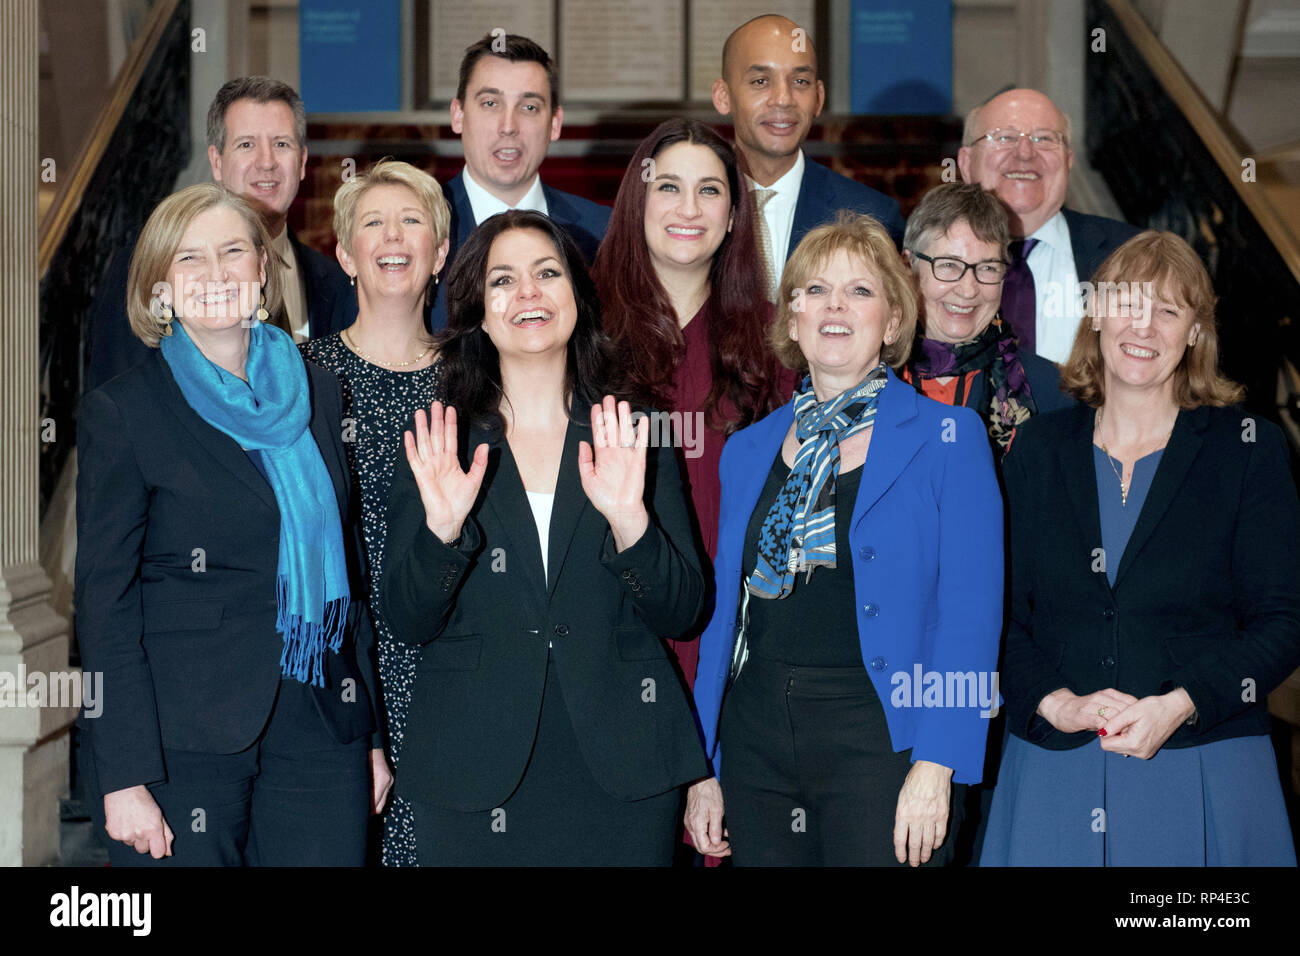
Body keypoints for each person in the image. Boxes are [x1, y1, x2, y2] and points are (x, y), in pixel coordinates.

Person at [380, 209, 709, 865]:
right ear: (477, 309)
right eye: (503, 280)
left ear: (578, 299)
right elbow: (407, 619)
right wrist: (442, 532)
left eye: (547, 273)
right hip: (472, 767)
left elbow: (684, 609)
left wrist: (629, 520)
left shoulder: (634, 426)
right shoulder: (440, 436)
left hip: (624, 766)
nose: (528, 293)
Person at [75, 184, 387, 866]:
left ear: (263, 269)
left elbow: (347, 569)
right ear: (159, 284)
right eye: (190, 259)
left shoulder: (322, 392)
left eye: (232, 252)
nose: (216, 275)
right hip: (181, 744)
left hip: (320, 727)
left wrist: (367, 735)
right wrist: (122, 773)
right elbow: (105, 605)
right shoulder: (125, 413)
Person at [686, 213, 1004, 865]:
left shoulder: (950, 438)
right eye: (814, 290)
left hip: (884, 737)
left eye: (860, 291)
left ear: (891, 322)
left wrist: (938, 763)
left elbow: (970, 618)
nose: (835, 306)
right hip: (756, 740)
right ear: (793, 318)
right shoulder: (747, 450)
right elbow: (726, 616)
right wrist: (704, 761)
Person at [981, 231, 1300, 866]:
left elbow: (1284, 622)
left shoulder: (1247, 448)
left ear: (1196, 334)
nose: (1144, 326)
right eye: (1128, 303)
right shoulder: (1037, 449)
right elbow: (999, 616)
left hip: (1204, 766)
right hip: (1054, 771)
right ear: (1096, 312)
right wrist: (1057, 702)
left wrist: (1181, 704)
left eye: (1169, 310)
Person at [591, 118, 793, 696]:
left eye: (710, 190)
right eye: (668, 186)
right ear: (637, 202)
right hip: (606, 630)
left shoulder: (777, 342)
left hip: (737, 636)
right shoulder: (583, 332)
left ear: (733, 217)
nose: (689, 207)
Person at [299, 159, 450, 866]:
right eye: (373, 222)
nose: (394, 236)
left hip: (458, 668)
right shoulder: (300, 376)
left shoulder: (478, 375)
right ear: (344, 253)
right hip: (339, 671)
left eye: (413, 220)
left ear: (440, 252)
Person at [87, 76, 355, 390]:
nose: (266, 162)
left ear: (302, 162)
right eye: (246, 145)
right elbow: (114, 403)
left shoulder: (336, 283)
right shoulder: (146, 266)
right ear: (216, 161)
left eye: (281, 144)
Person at [712, 14, 904, 301]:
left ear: (819, 97)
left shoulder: (873, 216)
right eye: (761, 81)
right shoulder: (688, 210)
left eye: (800, 81)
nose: (783, 99)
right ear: (724, 96)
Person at [428, 33, 612, 330]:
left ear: (555, 123)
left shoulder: (603, 232)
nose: (508, 127)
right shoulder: (417, 228)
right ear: (458, 114)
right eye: (490, 103)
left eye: (529, 107)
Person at [957, 88, 1139, 362]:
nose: (1025, 152)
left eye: (1044, 139)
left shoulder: (1133, 255)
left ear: (1068, 161)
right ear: (966, 163)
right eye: (1004, 137)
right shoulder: (923, 261)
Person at [902, 182, 1073, 457]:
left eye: (988, 268)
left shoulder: (1052, 392)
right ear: (907, 266)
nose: (968, 290)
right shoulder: (866, 380)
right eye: (948, 265)